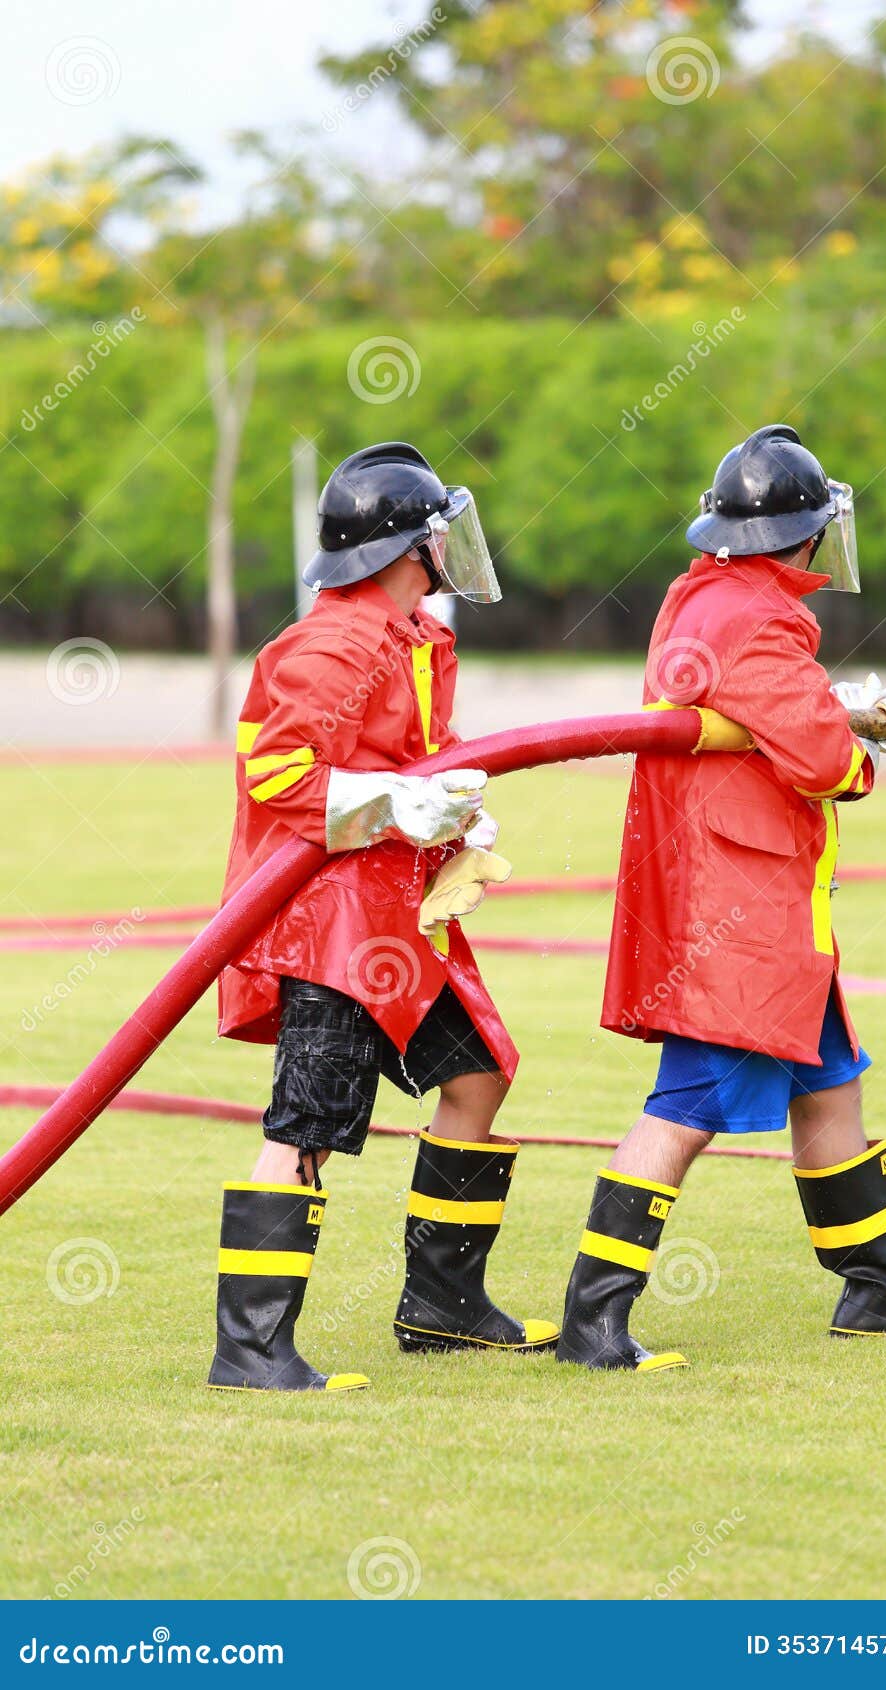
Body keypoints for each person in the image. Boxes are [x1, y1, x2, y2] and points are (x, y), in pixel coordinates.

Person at [555, 424, 886, 1372]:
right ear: (801, 535)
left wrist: (848, 707)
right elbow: (817, 758)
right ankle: (593, 1324)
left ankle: (879, 1294)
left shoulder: (704, 596)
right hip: (741, 913)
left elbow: (767, 715)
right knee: (683, 1109)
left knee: (831, 1088)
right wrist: (870, 743)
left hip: (758, 905)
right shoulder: (762, 619)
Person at [208, 441, 558, 1393]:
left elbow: (419, 755)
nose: (452, 548)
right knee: (304, 1125)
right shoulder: (334, 644)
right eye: (440, 533)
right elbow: (278, 777)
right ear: (408, 547)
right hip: (330, 923)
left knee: (479, 1076)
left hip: (396, 916)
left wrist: (449, 809)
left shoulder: (408, 637)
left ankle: (442, 1311)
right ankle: (251, 1349)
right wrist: (394, 805)